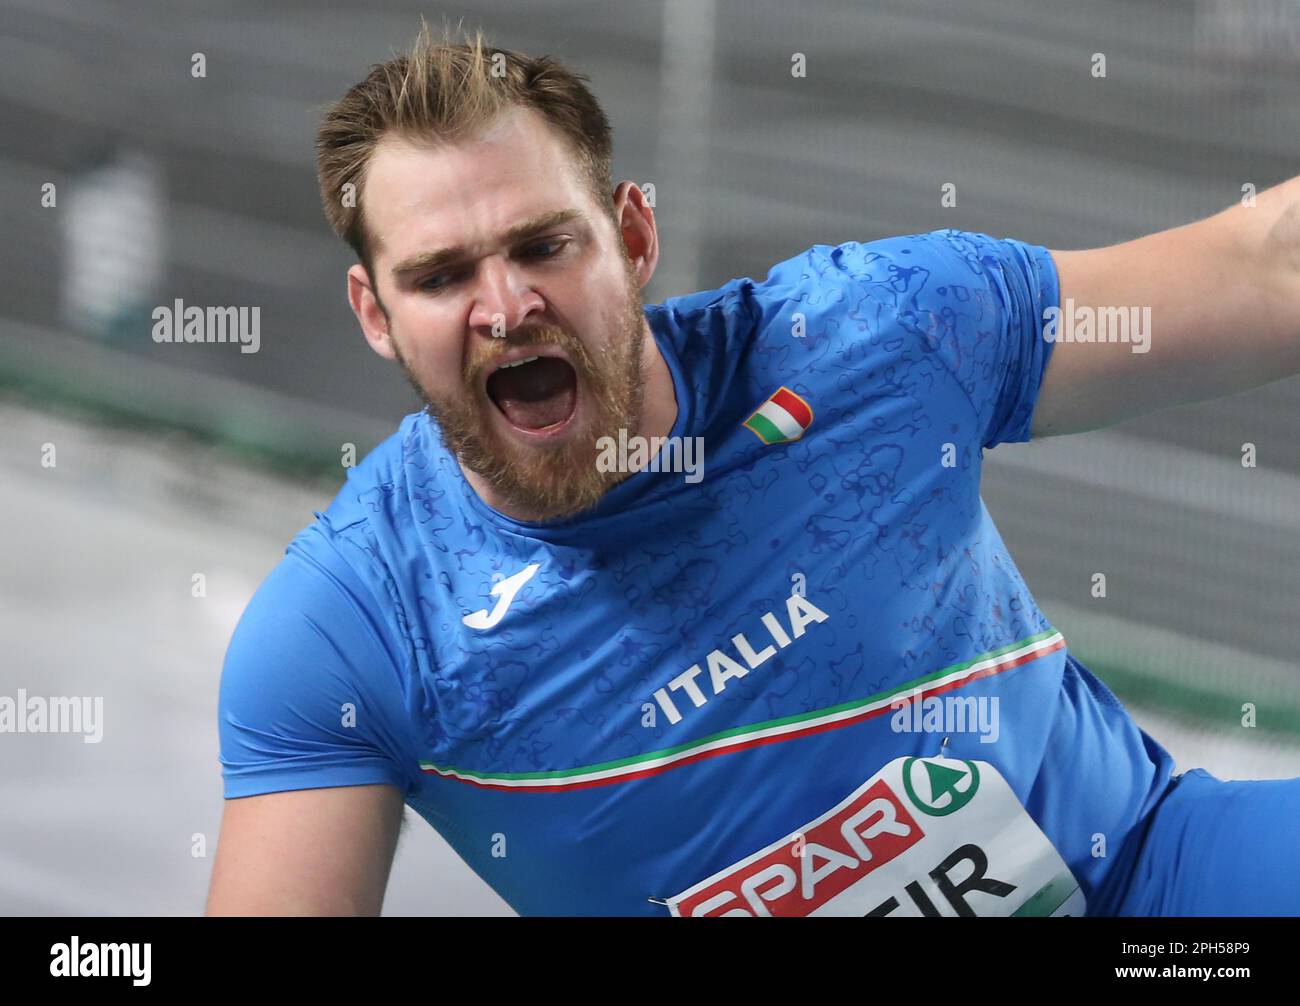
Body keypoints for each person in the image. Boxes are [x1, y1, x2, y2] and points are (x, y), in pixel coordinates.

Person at [206, 22, 1300, 916]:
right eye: (442, 275)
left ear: (633, 237)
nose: (506, 308)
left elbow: (1269, 266)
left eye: (545, 245)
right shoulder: (355, 627)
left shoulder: (877, 337)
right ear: (376, 315)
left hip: (1148, 886)